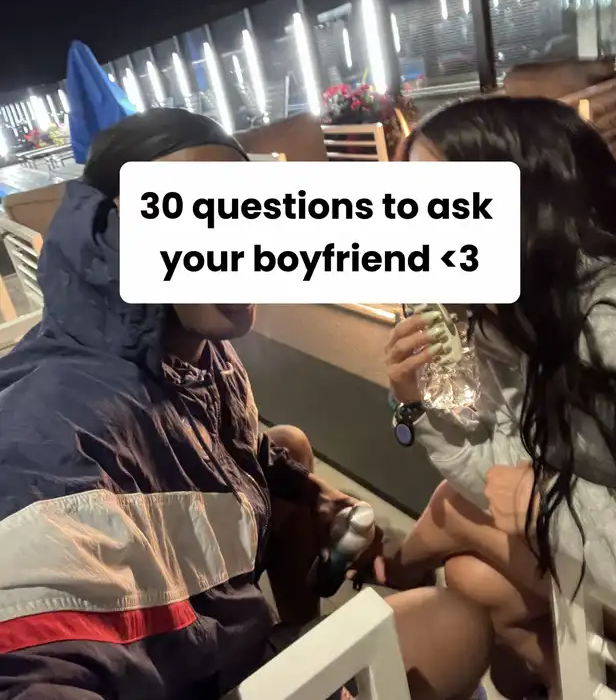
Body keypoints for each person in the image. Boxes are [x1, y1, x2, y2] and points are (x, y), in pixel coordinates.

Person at [0, 108, 492, 700]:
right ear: (118, 237)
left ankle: (295, 634)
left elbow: (219, 456)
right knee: (454, 627)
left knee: (288, 448)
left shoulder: (197, 348)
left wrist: (311, 495)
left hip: (210, 643)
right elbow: (31, 667)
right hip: (186, 676)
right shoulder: (52, 433)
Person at [385, 96, 616, 696]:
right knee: (472, 577)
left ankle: (382, 571)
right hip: (595, 565)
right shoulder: (521, 321)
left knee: (456, 527)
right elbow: (500, 466)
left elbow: (515, 487)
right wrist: (416, 399)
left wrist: (540, 505)